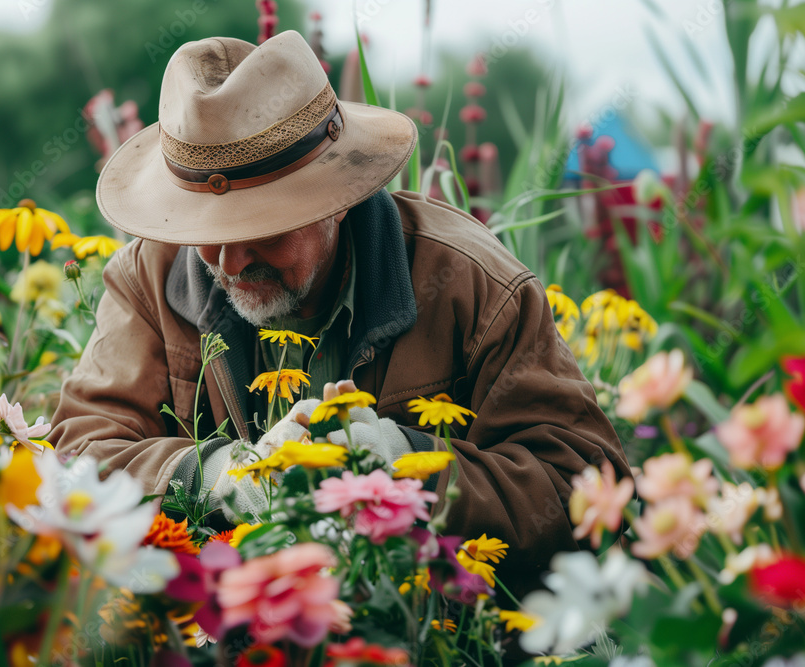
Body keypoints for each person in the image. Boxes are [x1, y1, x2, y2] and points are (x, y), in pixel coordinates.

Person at [49, 30, 630, 598]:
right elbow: (80, 453)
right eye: (205, 229)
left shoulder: (476, 285)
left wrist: (407, 465)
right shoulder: (146, 278)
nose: (228, 260)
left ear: (336, 198)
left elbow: (582, 483)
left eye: (260, 228)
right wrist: (222, 476)